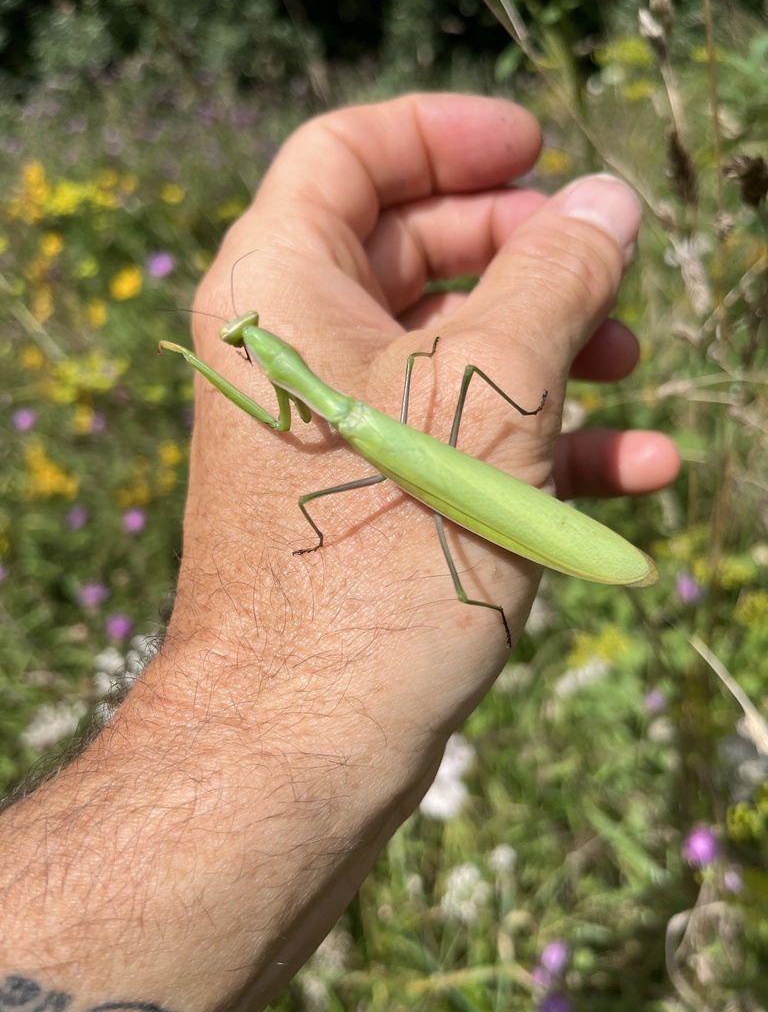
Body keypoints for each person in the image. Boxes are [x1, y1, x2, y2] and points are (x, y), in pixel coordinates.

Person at [0, 93, 679, 1011]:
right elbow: (292, 415)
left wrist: (210, 365)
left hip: (449, 479)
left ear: (268, 354)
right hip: (432, 458)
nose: (243, 347)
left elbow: (298, 436)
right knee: (430, 485)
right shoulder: (343, 408)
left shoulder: (345, 424)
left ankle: (489, 592)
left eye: (245, 344)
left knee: (427, 520)